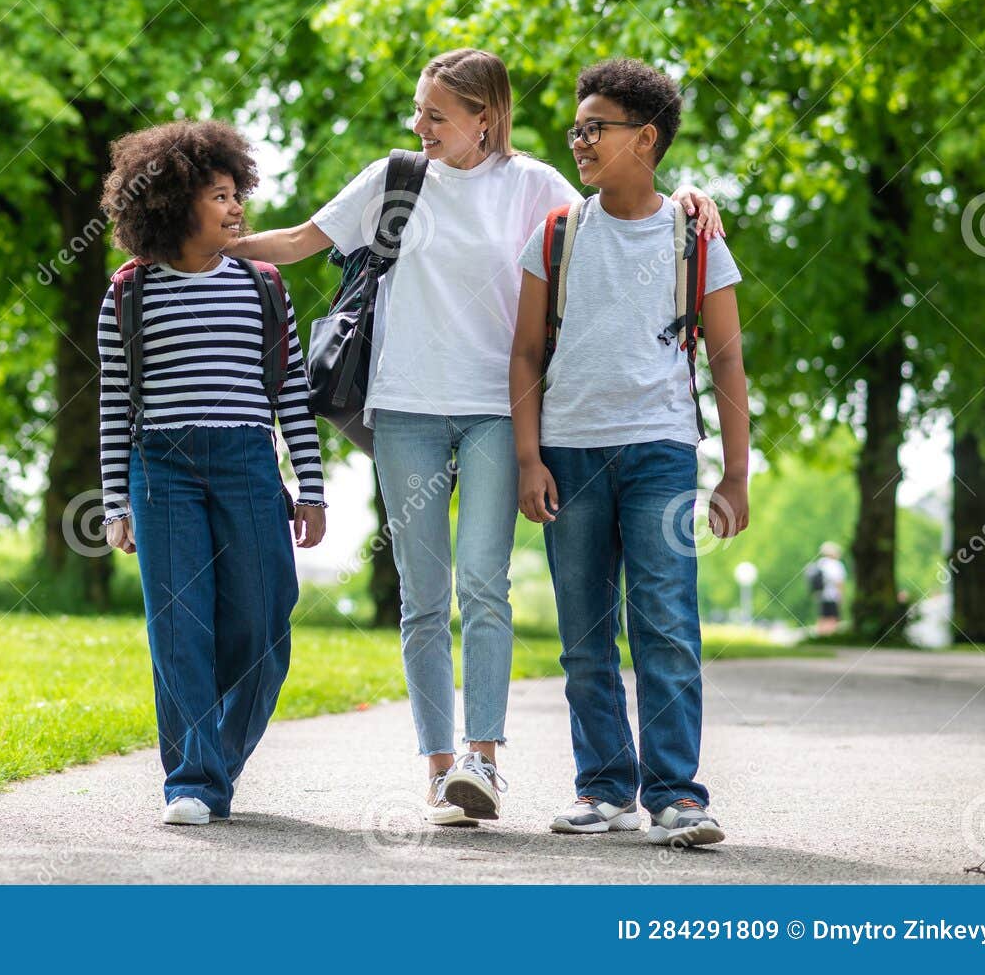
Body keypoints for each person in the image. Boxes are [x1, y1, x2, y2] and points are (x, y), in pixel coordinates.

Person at [231, 48, 724, 827]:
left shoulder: (532, 184)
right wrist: (205, 245)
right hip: (404, 405)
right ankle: (441, 770)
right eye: (418, 110)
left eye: (435, 113)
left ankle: (484, 759)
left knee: (483, 588)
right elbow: (300, 241)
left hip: (500, 407)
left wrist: (692, 195)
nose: (418, 125)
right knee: (424, 601)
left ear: (483, 118)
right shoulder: (396, 178)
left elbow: (616, 209)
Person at [512, 57, 749, 848]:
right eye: (576, 127)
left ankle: (678, 795)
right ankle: (605, 787)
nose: (579, 139)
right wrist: (527, 456)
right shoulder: (556, 233)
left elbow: (725, 360)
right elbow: (523, 356)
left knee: (668, 623)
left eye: (596, 128)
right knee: (584, 633)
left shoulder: (696, 235)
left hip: (661, 453)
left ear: (644, 139)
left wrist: (737, 472)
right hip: (569, 452)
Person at [96, 119, 327, 826]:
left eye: (237, 194)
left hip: (248, 463)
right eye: (220, 196)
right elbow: (114, 401)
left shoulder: (264, 286)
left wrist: (311, 486)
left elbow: (291, 392)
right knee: (180, 624)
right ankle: (194, 780)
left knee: (262, 617)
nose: (236, 208)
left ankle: (215, 757)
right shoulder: (128, 293)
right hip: (160, 468)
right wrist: (114, 501)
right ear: (172, 204)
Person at [810, 542, 847, 637]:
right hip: (833, 595)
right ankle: (830, 637)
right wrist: (841, 597)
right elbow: (839, 583)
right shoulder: (836, 564)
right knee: (833, 618)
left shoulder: (820, 563)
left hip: (821, 595)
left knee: (822, 617)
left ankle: (820, 636)